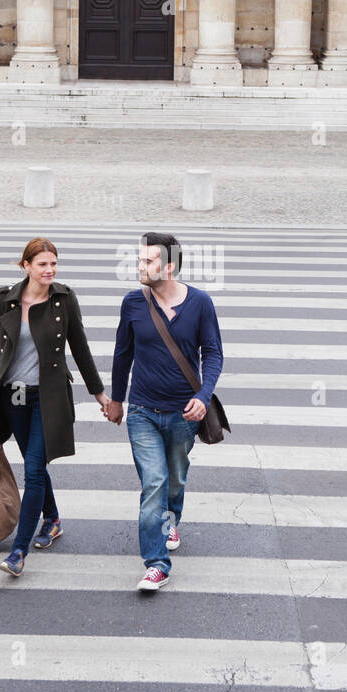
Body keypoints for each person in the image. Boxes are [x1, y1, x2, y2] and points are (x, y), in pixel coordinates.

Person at [0, 236, 110, 576]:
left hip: (47, 398)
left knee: (35, 470)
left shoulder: (63, 300)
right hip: (11, 397)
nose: (50, 270)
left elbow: (80, 348)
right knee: (33, 463)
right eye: (42, 264)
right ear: (26, 266)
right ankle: (52, 519)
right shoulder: (6, 299)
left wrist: (100, 395)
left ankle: (18, 553)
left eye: (53, 263)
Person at [104, 232, 224, 592]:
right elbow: (122, 354)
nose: (140, 266)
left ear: (169, 267)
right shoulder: (133, 303)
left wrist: (204, 395)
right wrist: (117, 400)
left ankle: (173, 518)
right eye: (140, 260)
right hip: (142, 411)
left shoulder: (200, 303)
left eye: (148, 261)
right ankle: (157, 564)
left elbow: (213, 354)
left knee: (175, 478)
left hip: (184, 415)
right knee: (153, 483)